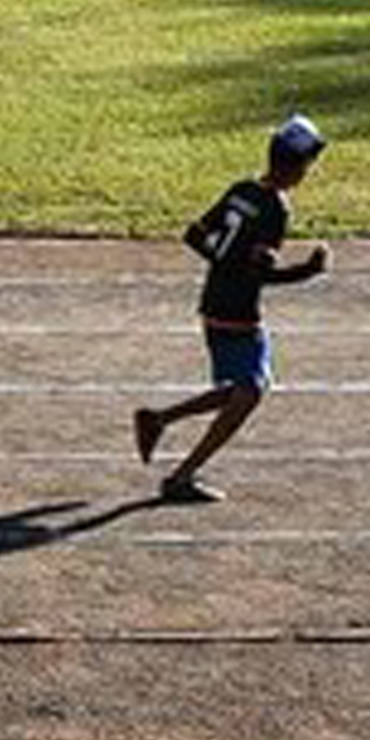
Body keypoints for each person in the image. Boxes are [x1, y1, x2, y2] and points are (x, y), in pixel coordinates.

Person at [131, 115, 331, 505]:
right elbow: (260, 275)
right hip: (238, 311)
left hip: (213, 303)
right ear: (296, 166)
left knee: (239, 387)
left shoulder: (242, 190)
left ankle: (158, 420)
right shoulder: (276, 209)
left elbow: (194, 235)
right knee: (250, 391)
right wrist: (307, 271)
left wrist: (224, 262)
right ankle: (181, 476)